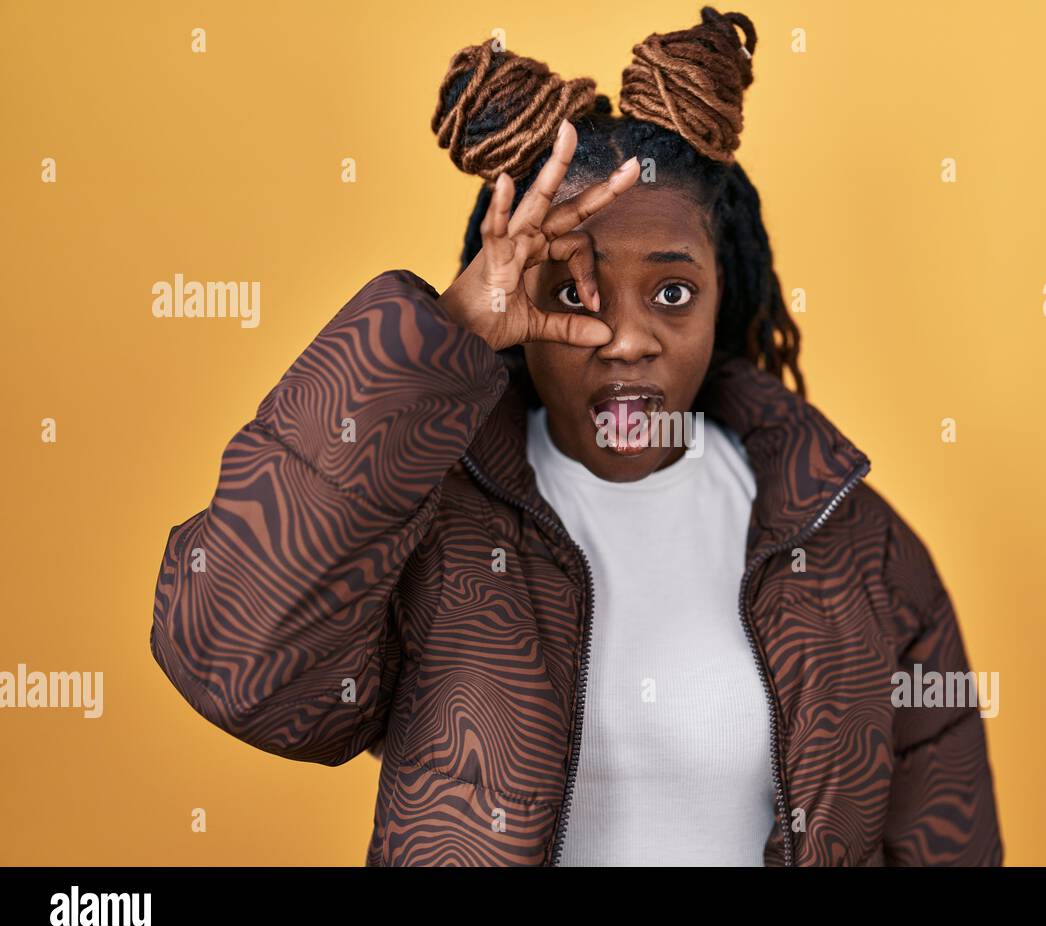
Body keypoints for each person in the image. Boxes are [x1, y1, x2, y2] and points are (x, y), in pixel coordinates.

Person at [150, 7, 1003, 866]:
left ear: (725, 296)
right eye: (573, 292)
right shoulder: (433, 519)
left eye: (672, 293)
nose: (627, 338)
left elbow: (945, 846)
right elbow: (237, 664)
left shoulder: (850, 540)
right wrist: (444, 331)